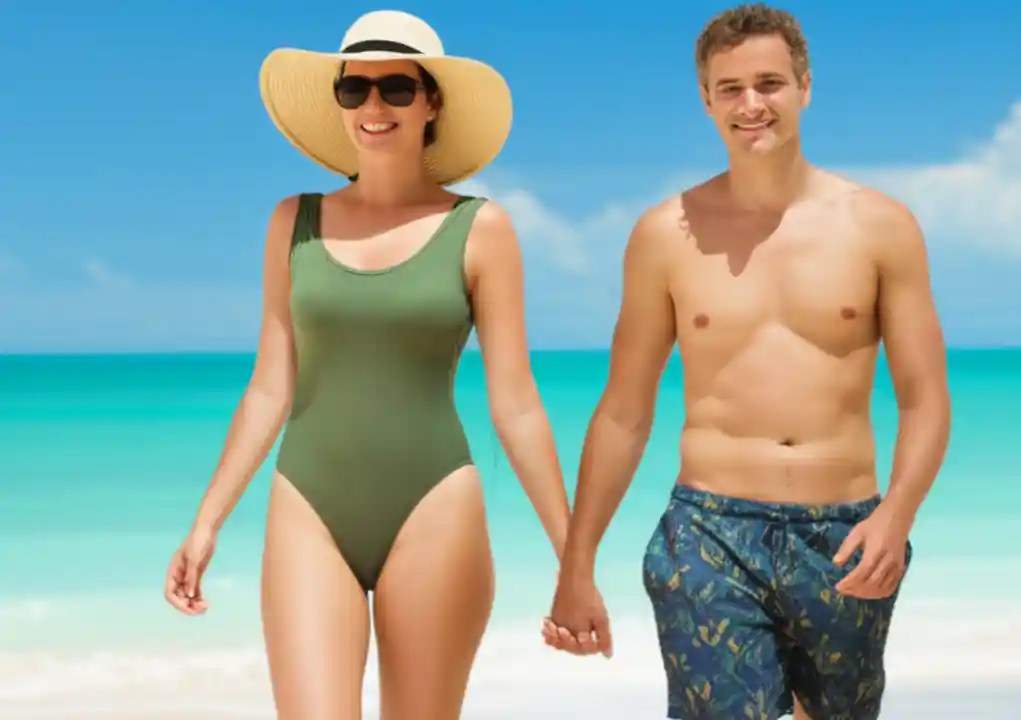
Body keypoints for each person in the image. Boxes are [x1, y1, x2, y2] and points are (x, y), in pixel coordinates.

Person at [544, 3, 951, 719]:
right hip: (708, 533)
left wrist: (897, 514)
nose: (751, 104)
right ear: (705, 100)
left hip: (847, 534)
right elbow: (623, 412)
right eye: (730, 89)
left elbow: (923, 399)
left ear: (805, 88)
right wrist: (576, 564)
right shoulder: (663, 235)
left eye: (769, 83)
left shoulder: (880, 226)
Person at [162, 10, 571, 719]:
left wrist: (575, 556)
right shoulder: (293, 221)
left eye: (396, 88)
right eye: (355, 90)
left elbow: (516, 404)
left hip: (435, 508)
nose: (373, 107)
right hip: (308, 507)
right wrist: (206, 523)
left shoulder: (481, 230)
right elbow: (270, 385)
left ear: (431, 101)